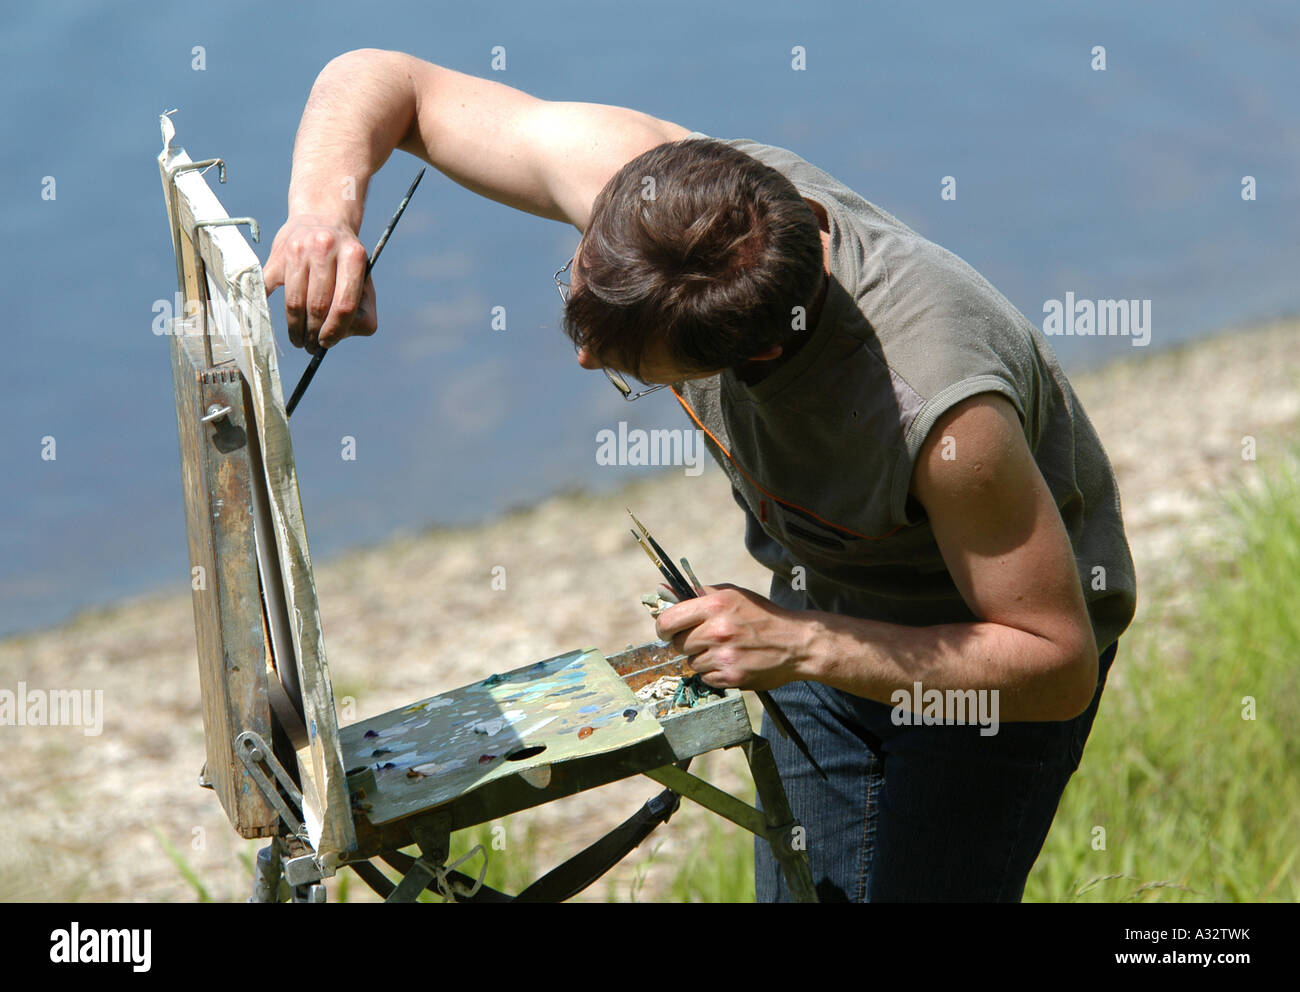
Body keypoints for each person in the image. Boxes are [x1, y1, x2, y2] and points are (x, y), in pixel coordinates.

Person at [264, 48, 1138, 902]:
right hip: (817, 611)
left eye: (623, 366)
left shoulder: (939, 410)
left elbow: (1056, 663)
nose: (580, 357)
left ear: (748, 356)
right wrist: (323, 219)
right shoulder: (652, 198)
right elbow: (388, 83)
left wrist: (802, 645)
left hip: (981, 670)